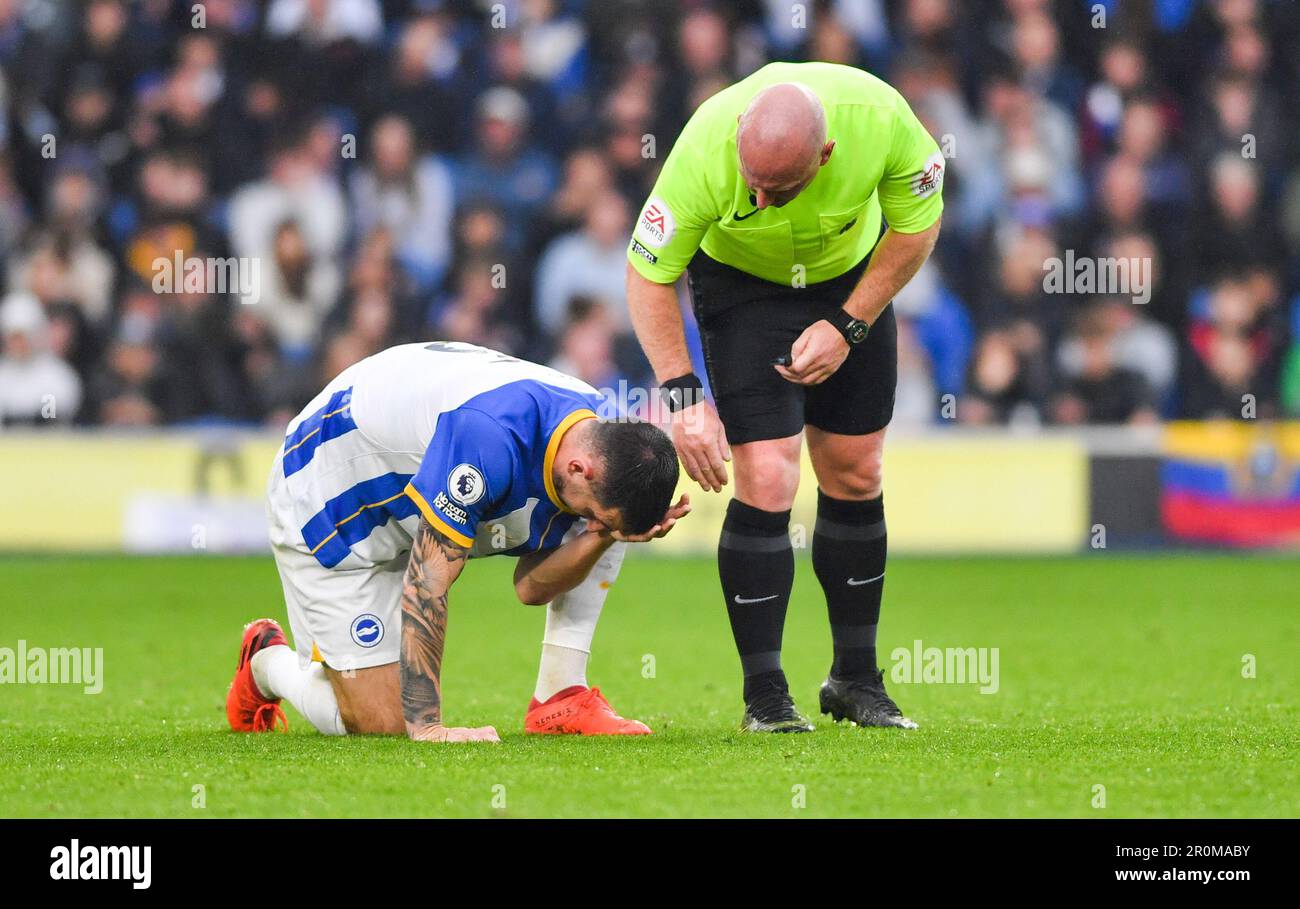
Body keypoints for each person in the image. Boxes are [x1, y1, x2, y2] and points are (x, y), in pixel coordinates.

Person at [626, 62, 944, 732]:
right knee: (769, 473)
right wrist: (684, 398)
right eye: (754, 184)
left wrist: (851, 324)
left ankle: (855, 679)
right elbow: (647, 274)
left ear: (826, 154)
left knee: (857, 470)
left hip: (847, 281)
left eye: (782, 186)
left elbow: (916, 227)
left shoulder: (884, 121)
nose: (762, 200)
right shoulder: (706, 146)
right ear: (740, 134)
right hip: (744, 288)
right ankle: (765, 696)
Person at [226, 341, 688, 742]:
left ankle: (560, 694)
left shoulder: (599, 436)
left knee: (613, 527)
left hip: (409, 488)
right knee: (382, 723)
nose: (587, 520)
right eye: (591, 511)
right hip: (333, 504)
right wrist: (428, 724)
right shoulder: (488, 440)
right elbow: (426, 584)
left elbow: (530, 588)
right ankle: (267, 661)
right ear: (579, 469)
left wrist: (604, 534)